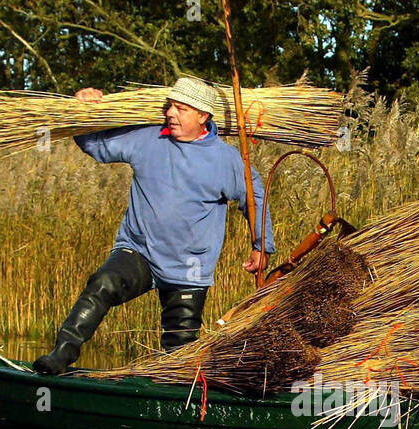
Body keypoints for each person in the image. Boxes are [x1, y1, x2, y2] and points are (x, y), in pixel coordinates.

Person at [34, 76, 277, 375]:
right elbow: (97, 145)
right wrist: (82, 111)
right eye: (169, 107)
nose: (171, 114)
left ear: (203, 117)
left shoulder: (227, 160)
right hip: (139, 251)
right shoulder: (149, 138)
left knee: (180, 348)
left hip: (189, 265)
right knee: (102, 284)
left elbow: (254, 197)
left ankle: (173, 393)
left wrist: (261, 246)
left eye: (181, 109)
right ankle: (60, 356)